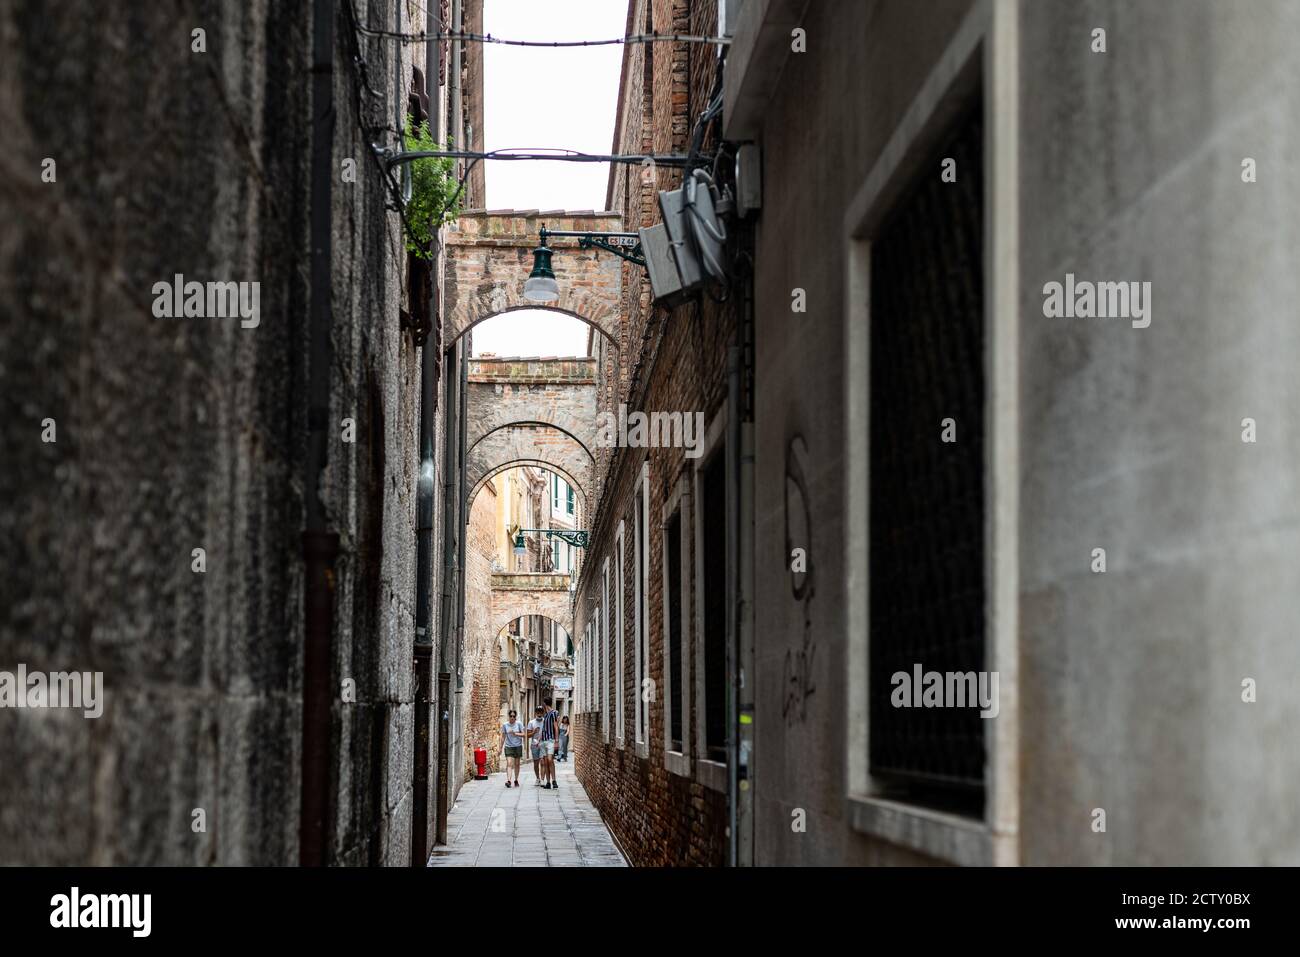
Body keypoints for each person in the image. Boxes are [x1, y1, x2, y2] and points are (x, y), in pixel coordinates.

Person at [539, 697, 561, 789]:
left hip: (551, 740)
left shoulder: (554, 713)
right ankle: (548, 782)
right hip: (543, 741)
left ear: (544, 704)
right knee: (545, 762)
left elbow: (556, 727)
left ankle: (554, 780)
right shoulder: (546, 715)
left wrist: (556, 741)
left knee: (550, 760)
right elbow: (544, 729)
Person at [501, 709, 524, 788]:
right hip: (508, 746)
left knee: (517, 764)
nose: (512, 718)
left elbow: (524, 734)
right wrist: (500, 748)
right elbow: (503, 737)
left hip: (518, 746)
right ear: (509, 716)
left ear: (515, 717)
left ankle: (516, 780)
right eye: (511, 716)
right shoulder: (505, 725)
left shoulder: (519, 724)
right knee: (509, 763)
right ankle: (509, 781)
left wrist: (515, 733)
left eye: (514, 716)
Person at [525, 706, 545, 786]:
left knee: (543, 762)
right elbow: (528, 735)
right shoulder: (531, 722)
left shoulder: (545, 721)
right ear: (535, 713)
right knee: (536, 763)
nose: (539, 713)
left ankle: (543, 779)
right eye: (538, 712)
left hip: (543, 744)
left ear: (543, 713)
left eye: (541, 712)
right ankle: (537, 778)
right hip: (534, 744)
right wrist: (533, 732)